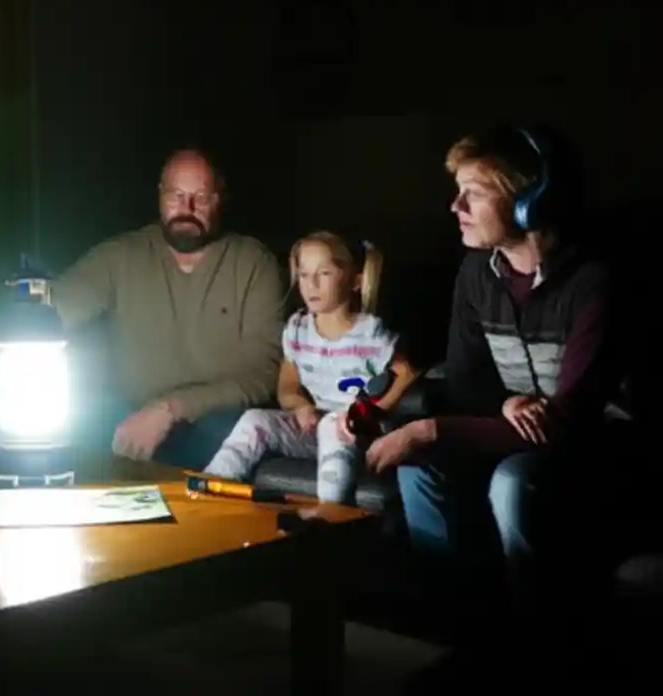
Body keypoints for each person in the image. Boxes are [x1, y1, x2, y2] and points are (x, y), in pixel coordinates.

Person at [364, 127, 616, 628]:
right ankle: (455, 630)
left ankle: (535, 637)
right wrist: (503, 404)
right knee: (421, 467)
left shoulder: (594, 281)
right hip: (516, 434)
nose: (455, 206)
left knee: (510, 481)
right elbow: (464, 383)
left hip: (599, 447)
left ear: (528, 201)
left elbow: (566, 422)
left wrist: (428, 429)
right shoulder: (477, 274)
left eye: (473, 193)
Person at [51, 147, 285, 470]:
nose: (186, 208)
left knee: (238, 435)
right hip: (129, 415)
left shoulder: (253, 263)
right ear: (160, 195)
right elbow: (55, 308)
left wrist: (171, 409)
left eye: (200, 198)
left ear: (218, 200)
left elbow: (264, 373)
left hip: (216, 421)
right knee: (67, 425)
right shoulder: (120, 255)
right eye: (176, 195)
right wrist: (28, 308)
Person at [201, 232, 418, 503]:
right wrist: (301, 408)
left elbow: (406, 373)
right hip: (314, 431)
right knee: (254, 420)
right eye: (304, 275)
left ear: (355, 280)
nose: (311, 284)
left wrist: (370, 413)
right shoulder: (298, 330)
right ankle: (209, 490)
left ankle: (330, 513)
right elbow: (287, 387)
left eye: (324, 273)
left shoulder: (369, 332)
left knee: (331, 425)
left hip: (358, 434)